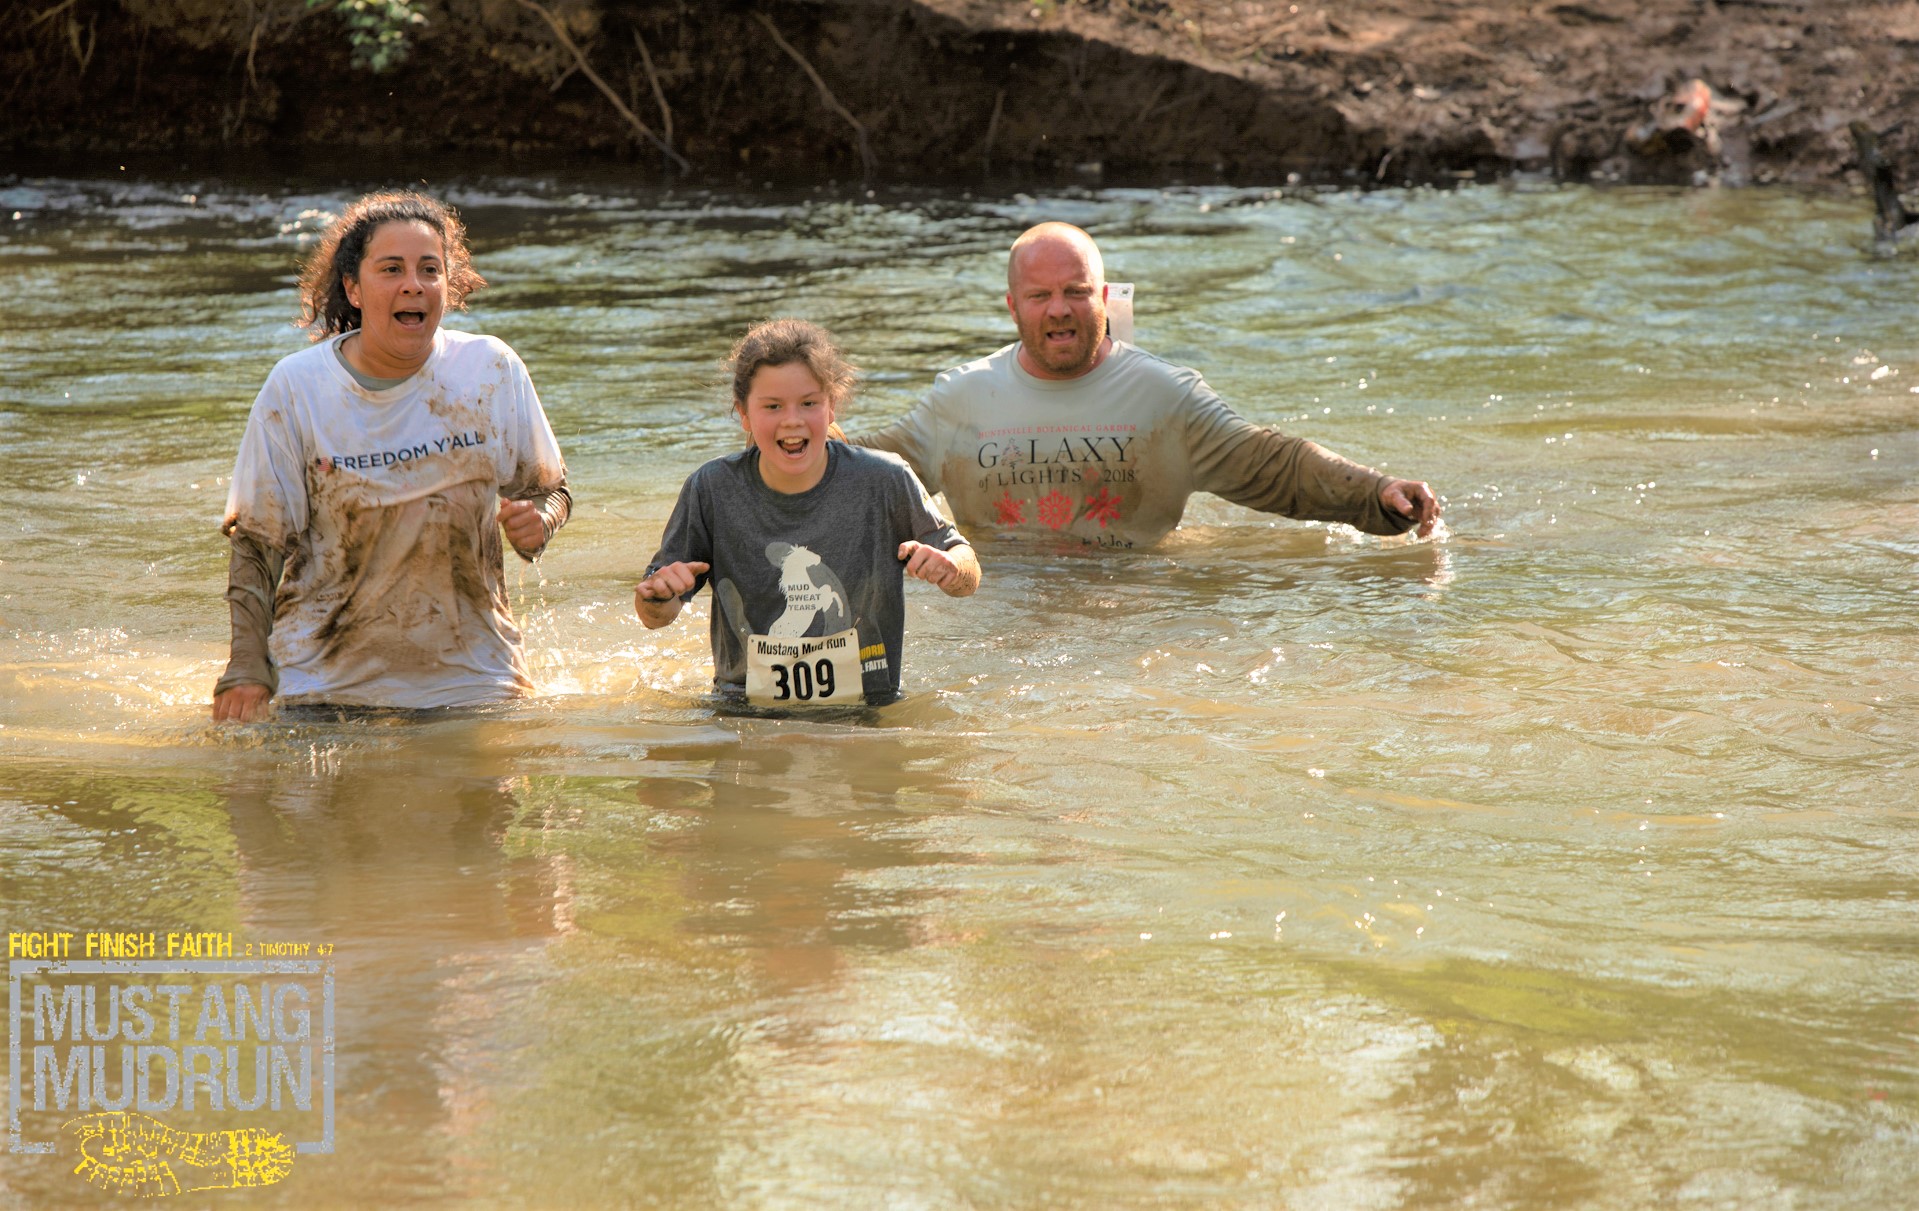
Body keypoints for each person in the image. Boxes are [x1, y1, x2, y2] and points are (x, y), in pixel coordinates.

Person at [848, 222, 1441, 549]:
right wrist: (782, 441)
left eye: (1076, 292)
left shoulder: (1165, 395)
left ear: (1104, 300)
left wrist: (1375, 492)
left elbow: (1272, 464)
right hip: (1004, 611)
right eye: (1040, 296)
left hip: (1135, 609)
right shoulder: (959, 398)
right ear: (1012, 307)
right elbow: (864, 478)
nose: (1059, 309)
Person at [211, 191, 571, 720]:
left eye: (430, 269)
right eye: (392, 269)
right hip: (325, 682)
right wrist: (245, 667)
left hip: (475, 680)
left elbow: (551, 490)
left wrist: (539, 522)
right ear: (353, 288)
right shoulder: (298, 387)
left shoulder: (489, 370)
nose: (413, 284)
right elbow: (259, 542)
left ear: (448, 286)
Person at [635, 319, 980, 708]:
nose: (793, 420)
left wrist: (951, 568)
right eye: (773, 406)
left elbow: (968, 574)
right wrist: (658, 595)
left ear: (831, 406)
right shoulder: (711, 488)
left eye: (809, 403)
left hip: (865, 713)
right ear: (744, 414)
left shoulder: (885, 479)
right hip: (742, 714)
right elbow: (654, 616)